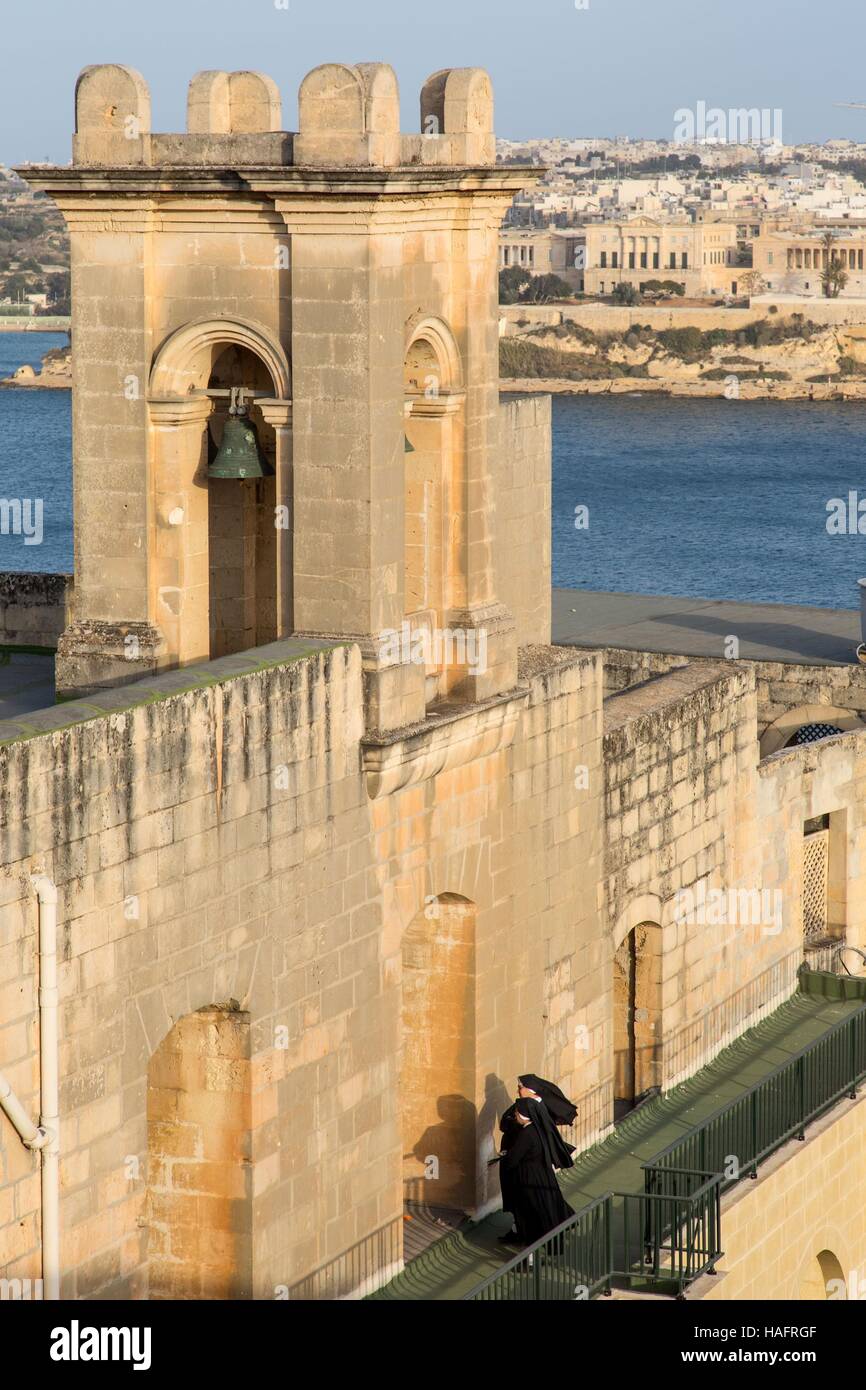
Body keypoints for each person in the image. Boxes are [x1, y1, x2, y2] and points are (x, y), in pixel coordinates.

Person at [497, 1097, 575, 1247]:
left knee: (530, 1218)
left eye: (517, 1113)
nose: (515, 1115)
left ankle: (529, 1257)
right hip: (540, 1175)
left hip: (528, 1179)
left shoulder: (526, 1134)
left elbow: (514, 1159)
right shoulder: (537, 1129)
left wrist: (506, 1156)